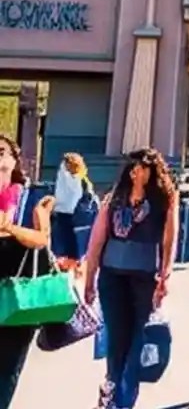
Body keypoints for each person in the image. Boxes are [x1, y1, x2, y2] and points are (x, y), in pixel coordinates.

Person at [83, 148, 179, 409]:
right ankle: (111, 388)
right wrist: (90, 278)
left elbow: (169, 239)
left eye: (142, 167)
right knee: (116, 336)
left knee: (139, 336)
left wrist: (165, 276)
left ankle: (125, 396)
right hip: (112, 274)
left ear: (153, 171)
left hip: (145, 276)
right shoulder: (115, 197)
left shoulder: (164, 199)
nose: (136, 171)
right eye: (133, 166)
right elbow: (97, 239)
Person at [0, 136, 55, 409]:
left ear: (14, 161)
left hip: (19, 301)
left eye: (2, 152)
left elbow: (42, 239)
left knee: (6, 374)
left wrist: (9, 228)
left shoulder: (30, 196)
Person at [51, 152, 96, 271]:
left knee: (63, 251)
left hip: (68, 216)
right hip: (72, 217)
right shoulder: (82, 180)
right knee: (71, 251)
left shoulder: (73, 178)